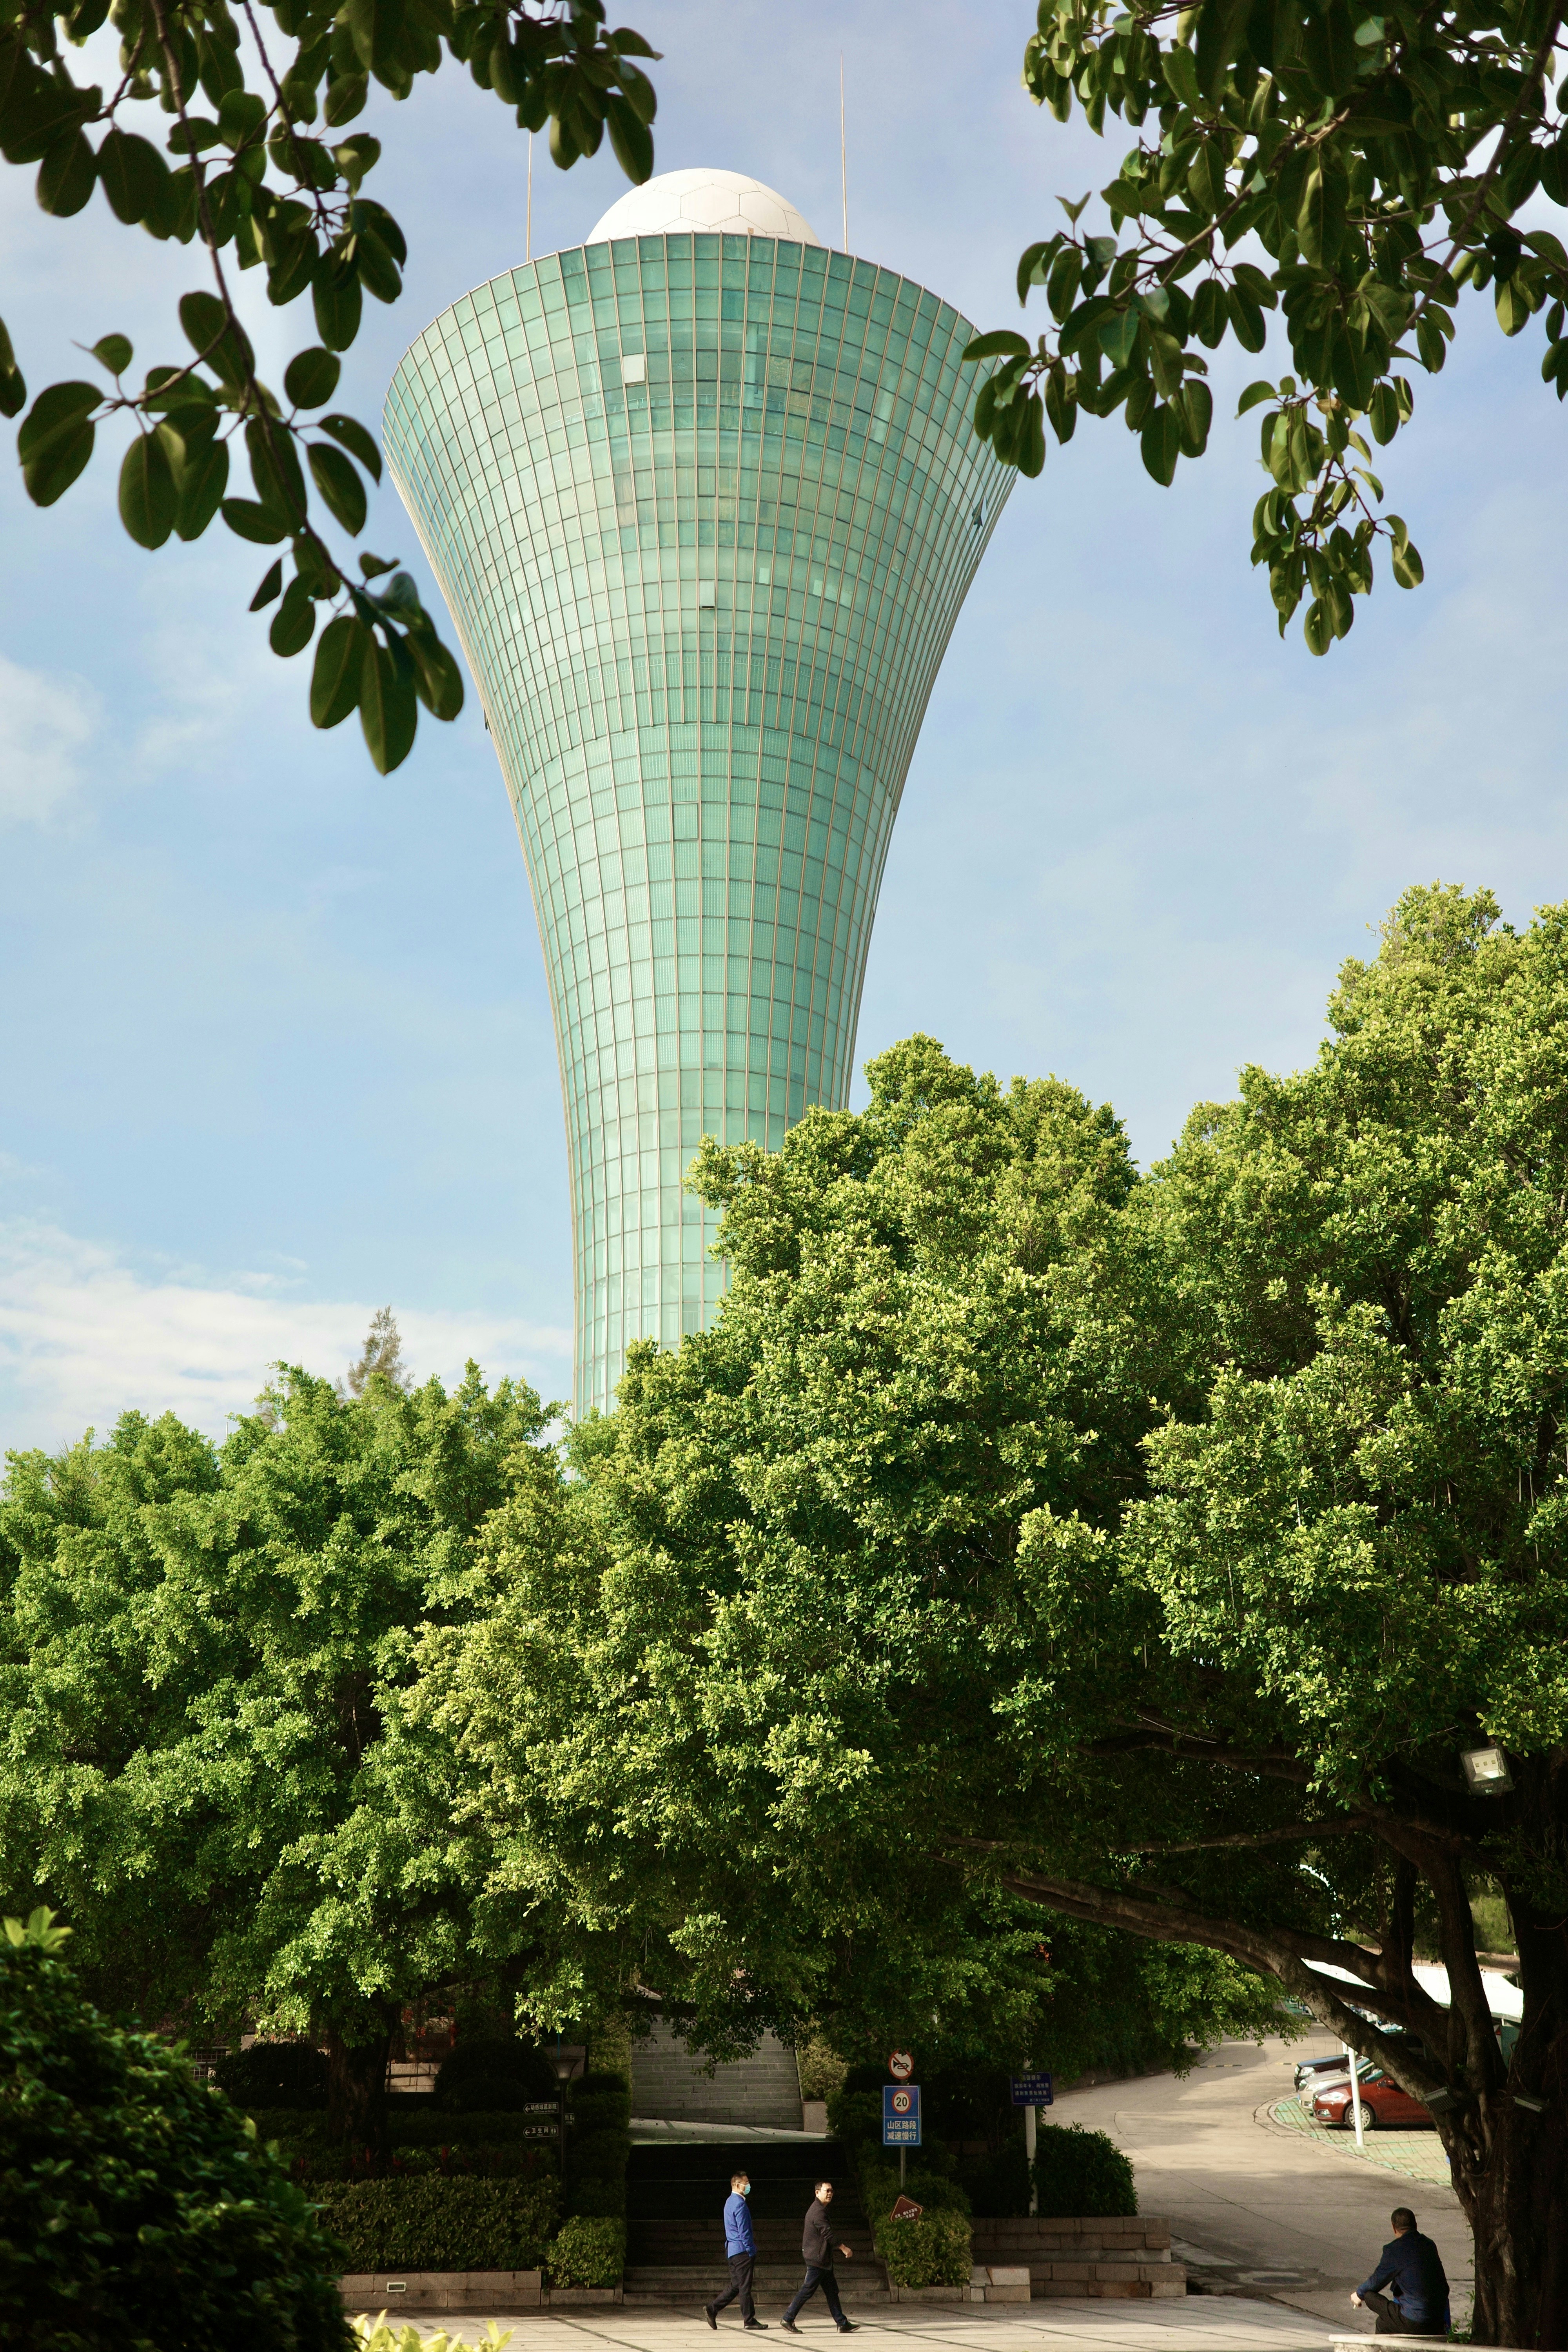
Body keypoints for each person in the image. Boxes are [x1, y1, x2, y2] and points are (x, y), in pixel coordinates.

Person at [1351, 2207, 1451, 2336]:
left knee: (1369, 2296)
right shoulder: (1429, 2245)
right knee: (1384, 2322)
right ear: (1416, 2226)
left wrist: (1359, 2294)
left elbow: (1376, 2281)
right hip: (1438, 2320)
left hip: (1415, 2321)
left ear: (1394, 2228)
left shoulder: (1395, 2250)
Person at [780, 2180, 856, 2336]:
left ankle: (842, 2323)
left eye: (831, 2191)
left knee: (831, 2292)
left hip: (822, 2259)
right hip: (818, 2260)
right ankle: (788, 2318)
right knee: (807, 2291)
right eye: (827, 2191)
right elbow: (827, 2233)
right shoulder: (818, 2211)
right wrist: (844, 2248)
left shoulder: (820, 2209)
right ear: (817, 2193)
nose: (830, 2194)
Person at [706, 2170, 767, 2331]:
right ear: (737, 2185)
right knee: (745, 2287)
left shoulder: (729, 2202)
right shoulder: (740, 2204)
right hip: (742, 2251)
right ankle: (749, 2320)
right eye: (746, 2183)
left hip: (732, 2250)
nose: (748, 2185)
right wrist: (751, 2250)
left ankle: (712, 2308)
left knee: (736, 2286)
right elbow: (744, 2231)